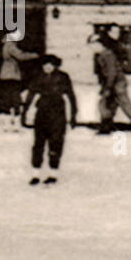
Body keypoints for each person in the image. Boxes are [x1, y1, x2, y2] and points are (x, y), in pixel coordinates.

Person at [20, 54, 77, 185]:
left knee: (55, 144)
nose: (47, 67)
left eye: (50, 65)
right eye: (45, 65)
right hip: (42, 113)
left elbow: (71, 96)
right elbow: (31, 95)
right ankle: (35, 174)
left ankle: (53, 173)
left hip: (58, 114)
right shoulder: (38, 76)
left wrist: (73, 115)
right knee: (38, 144)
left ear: (55, 66)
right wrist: (24, 113)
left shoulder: (63, 77)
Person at [90, 26, 131, 137]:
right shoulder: (100, 56)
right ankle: (106, 126)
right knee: (106, 104)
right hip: (110, 82)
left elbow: (112, 72)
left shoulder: (108, 55)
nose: (92, 48)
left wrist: (108, 87)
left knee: (123, 103)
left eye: (93, 45)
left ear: (100, 45)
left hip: (117, 83)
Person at [0, 36, 38, 116]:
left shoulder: (7, 44)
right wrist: (34, 55)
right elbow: (20, 56)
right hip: (10, 73)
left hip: (7, 73)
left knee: (10, 93)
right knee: (13, 92)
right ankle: (14, 112)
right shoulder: (10, 45)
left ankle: (10, 111)